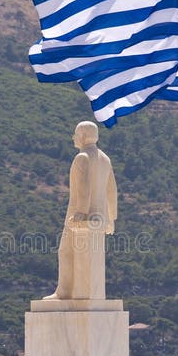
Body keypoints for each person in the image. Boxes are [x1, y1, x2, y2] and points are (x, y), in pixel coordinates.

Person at [44, 121, 117, 300]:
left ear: (83, 136)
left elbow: (84, 187)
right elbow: (112, 190)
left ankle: (64, 292)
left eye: (76, 134)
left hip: (82, 215)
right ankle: (83, 294)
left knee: (66, 251)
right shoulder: (105, 159)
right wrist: (111, 217)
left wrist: (81, 212)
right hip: (99, 217)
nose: (74, 138)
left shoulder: (82, 157)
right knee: (90, 258)